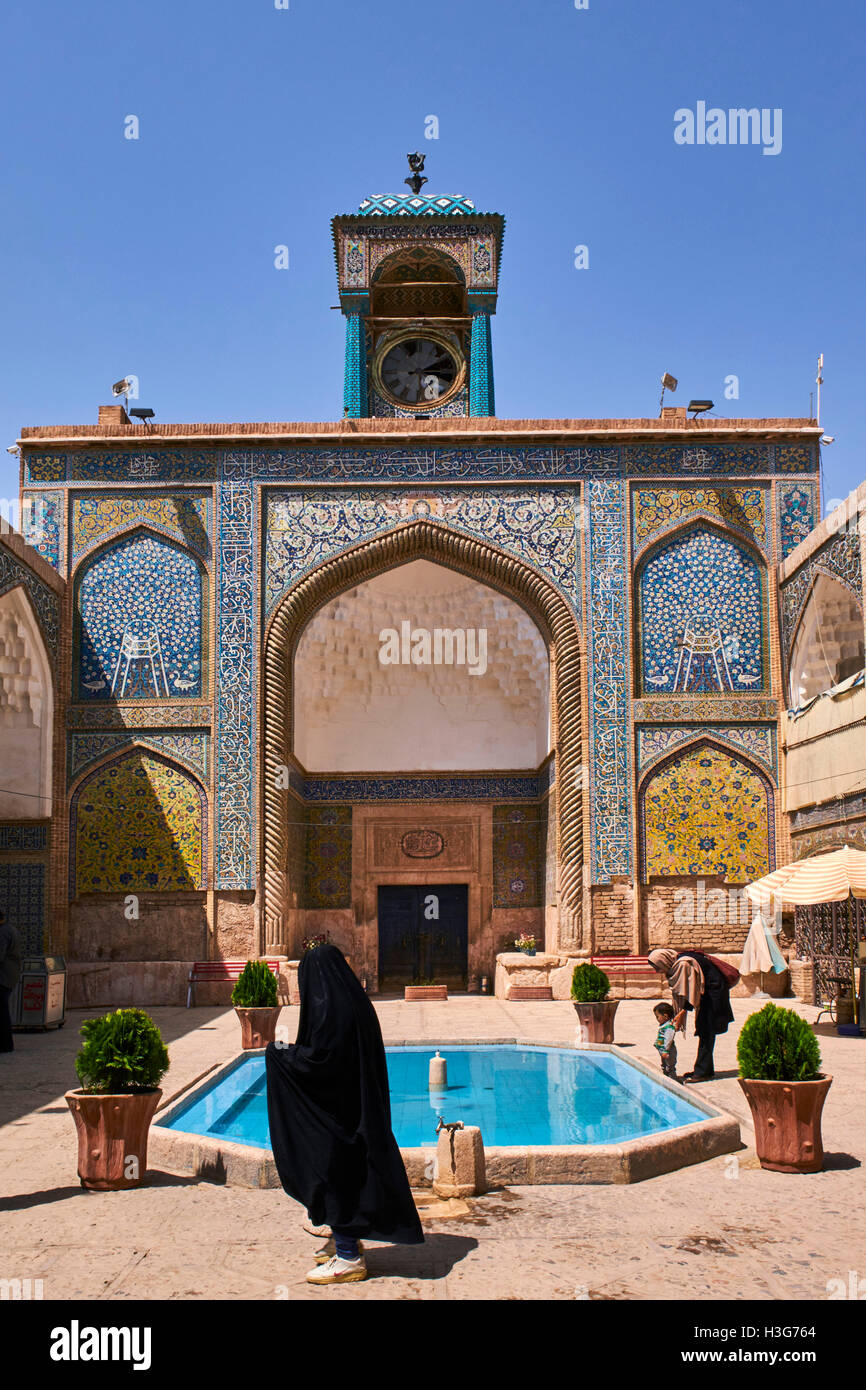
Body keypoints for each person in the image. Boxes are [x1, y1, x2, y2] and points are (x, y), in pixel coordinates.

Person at [265, 943, 424, 1284]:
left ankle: (349, 1257)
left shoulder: (329, 1012)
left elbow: (318, 1061)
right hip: (358, 1111)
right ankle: (344, 1242)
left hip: (340, 1120)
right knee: (348, 1172)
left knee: (332, 1172)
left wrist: (277, 1051)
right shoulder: (354, 1004)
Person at [648, 947, 735, 1082]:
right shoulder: (678, 963)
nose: (657, 971)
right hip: (707, 994)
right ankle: (705, 1070)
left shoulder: (683, 964)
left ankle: (702, 1072)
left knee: (706, 1031)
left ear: (664, 961)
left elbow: (693, 992)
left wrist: (682, 1012)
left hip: (713, 994)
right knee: (704, 1031)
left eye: (658, 967)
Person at [0, 908, 22, 1053]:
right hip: (10, 975)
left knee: (1, 1011)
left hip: (3, 976)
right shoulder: (10, 929)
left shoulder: (2, 932)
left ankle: (5, 1044)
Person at [652, 1001, 678, 1080]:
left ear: (665, 1016)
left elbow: (668, 1040)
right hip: (663, 1050)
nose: (657, 1019)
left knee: (670, 1064)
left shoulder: (669, 1027)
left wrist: (665, 1050)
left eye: (657, 1016)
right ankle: (666, 1075)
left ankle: (673, 1078)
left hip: (668, 1050)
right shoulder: (664, 1025)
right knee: (664, 1063)